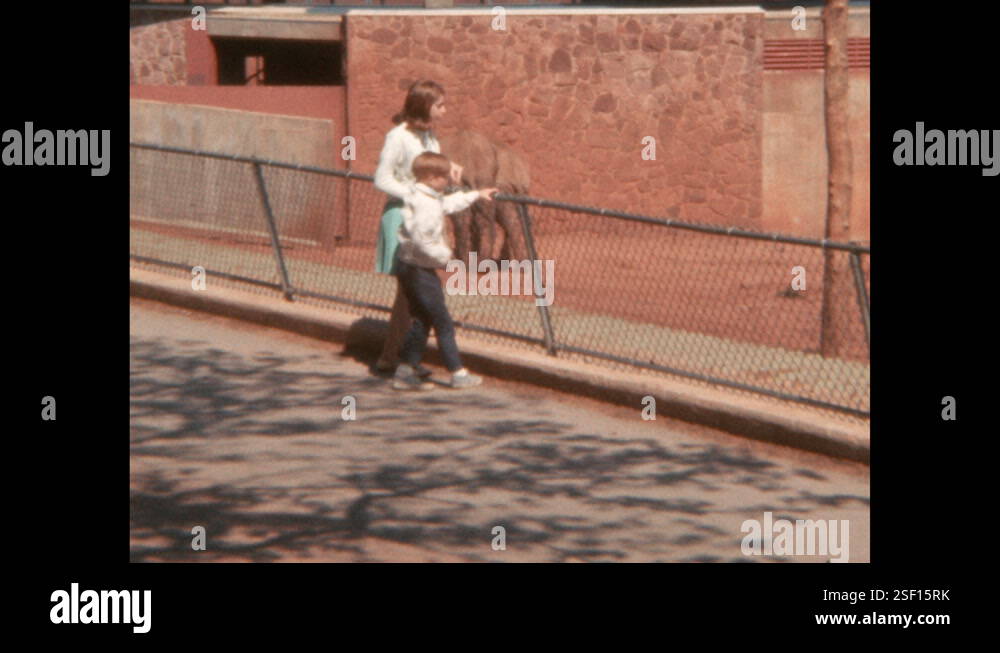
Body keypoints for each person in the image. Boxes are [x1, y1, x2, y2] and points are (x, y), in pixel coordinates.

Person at [373, 80, 463, 376]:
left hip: (425, 219)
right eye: (440, 105)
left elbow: (428, 167)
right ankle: (398, 359)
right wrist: (415, 195)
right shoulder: (397, 137)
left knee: (410, 294)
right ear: (425, 106)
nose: (444, 110)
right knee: (413, 292)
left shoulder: (429, 137)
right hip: (404, 218)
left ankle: (394, 358)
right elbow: (382, 178)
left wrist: (449, 168)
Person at [393, 151, 498, 391]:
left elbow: (447, 204)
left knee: (423, 319)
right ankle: (457, 372)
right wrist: (446, 258)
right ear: (431, 178)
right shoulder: (426, 205)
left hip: (410, 265)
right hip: (421, 269)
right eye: (443, 177)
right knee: (443, 322)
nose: (447, 181)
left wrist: (475, 195)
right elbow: (423, 239)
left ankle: (406, 369)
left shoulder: (420, 195)